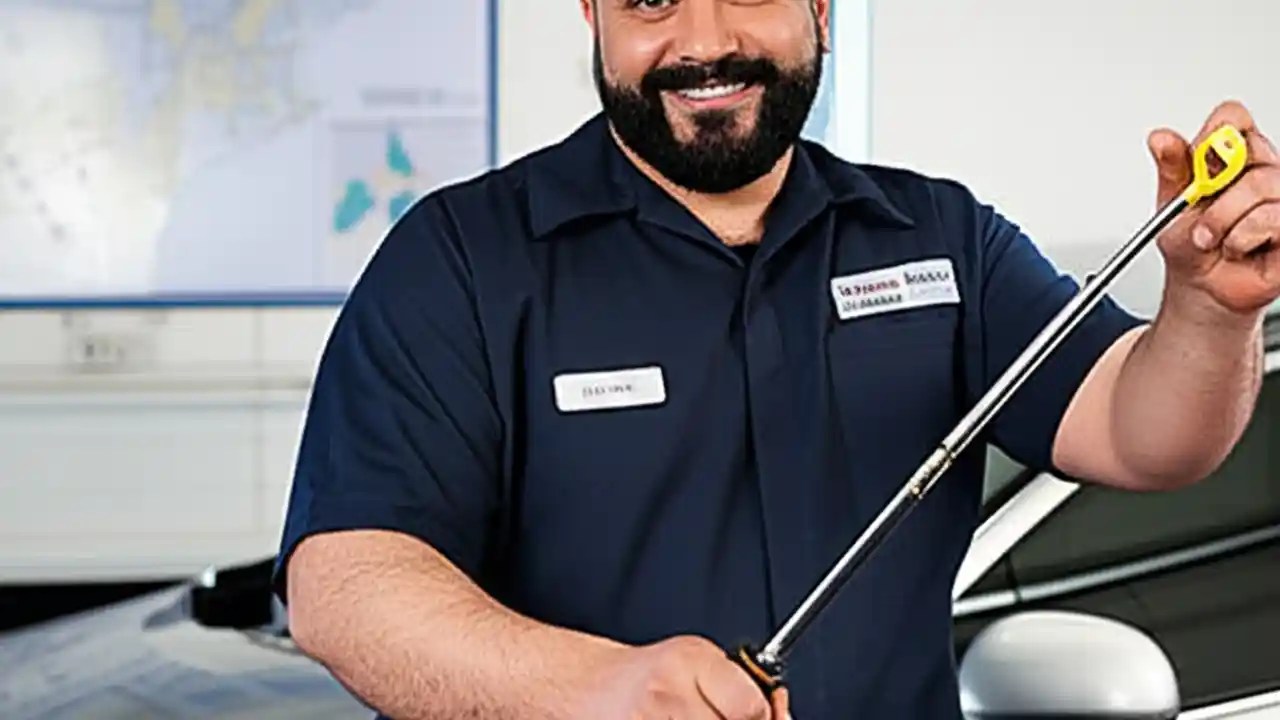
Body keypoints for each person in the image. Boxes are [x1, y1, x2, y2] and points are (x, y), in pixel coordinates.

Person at [271, 1, 1280, 718]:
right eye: (652, 1)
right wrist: (588, 691)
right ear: (592, 15)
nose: (704, 42)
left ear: (822, 9)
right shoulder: (459, 262)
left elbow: (1142, 438)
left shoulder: (937, 237)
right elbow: (346, 586)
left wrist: (1204, 308)